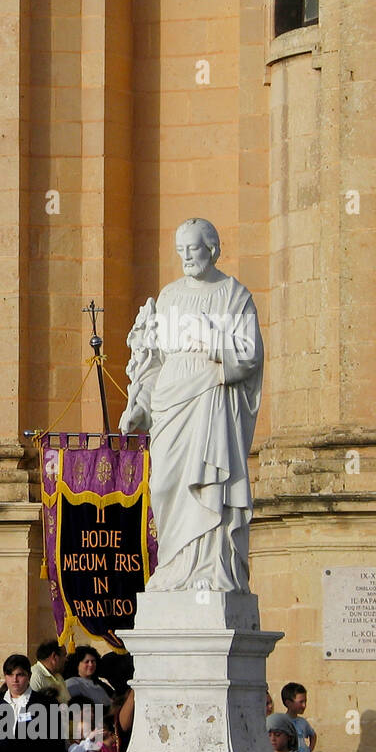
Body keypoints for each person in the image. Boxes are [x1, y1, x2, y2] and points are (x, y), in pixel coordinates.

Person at [119, 217, 263, 593]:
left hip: (210, 400)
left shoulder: (234, 295)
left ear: (212, 249)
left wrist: (208, 338)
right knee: (166, 485)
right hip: (170, 404)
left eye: (193, 248)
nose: (186, 256)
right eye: (180, 250)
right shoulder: (168, 297)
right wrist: (142, 406)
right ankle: (173, 567)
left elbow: (248, 355)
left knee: (208, 485)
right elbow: (156, 364)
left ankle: (210, 571)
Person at [281, 682, 316, 752]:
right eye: (301, 702)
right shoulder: (281, 723)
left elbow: (313, 735)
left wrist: (309, 750)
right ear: (288, 703)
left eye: (305, 701)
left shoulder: (303, 722)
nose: (304, 705)